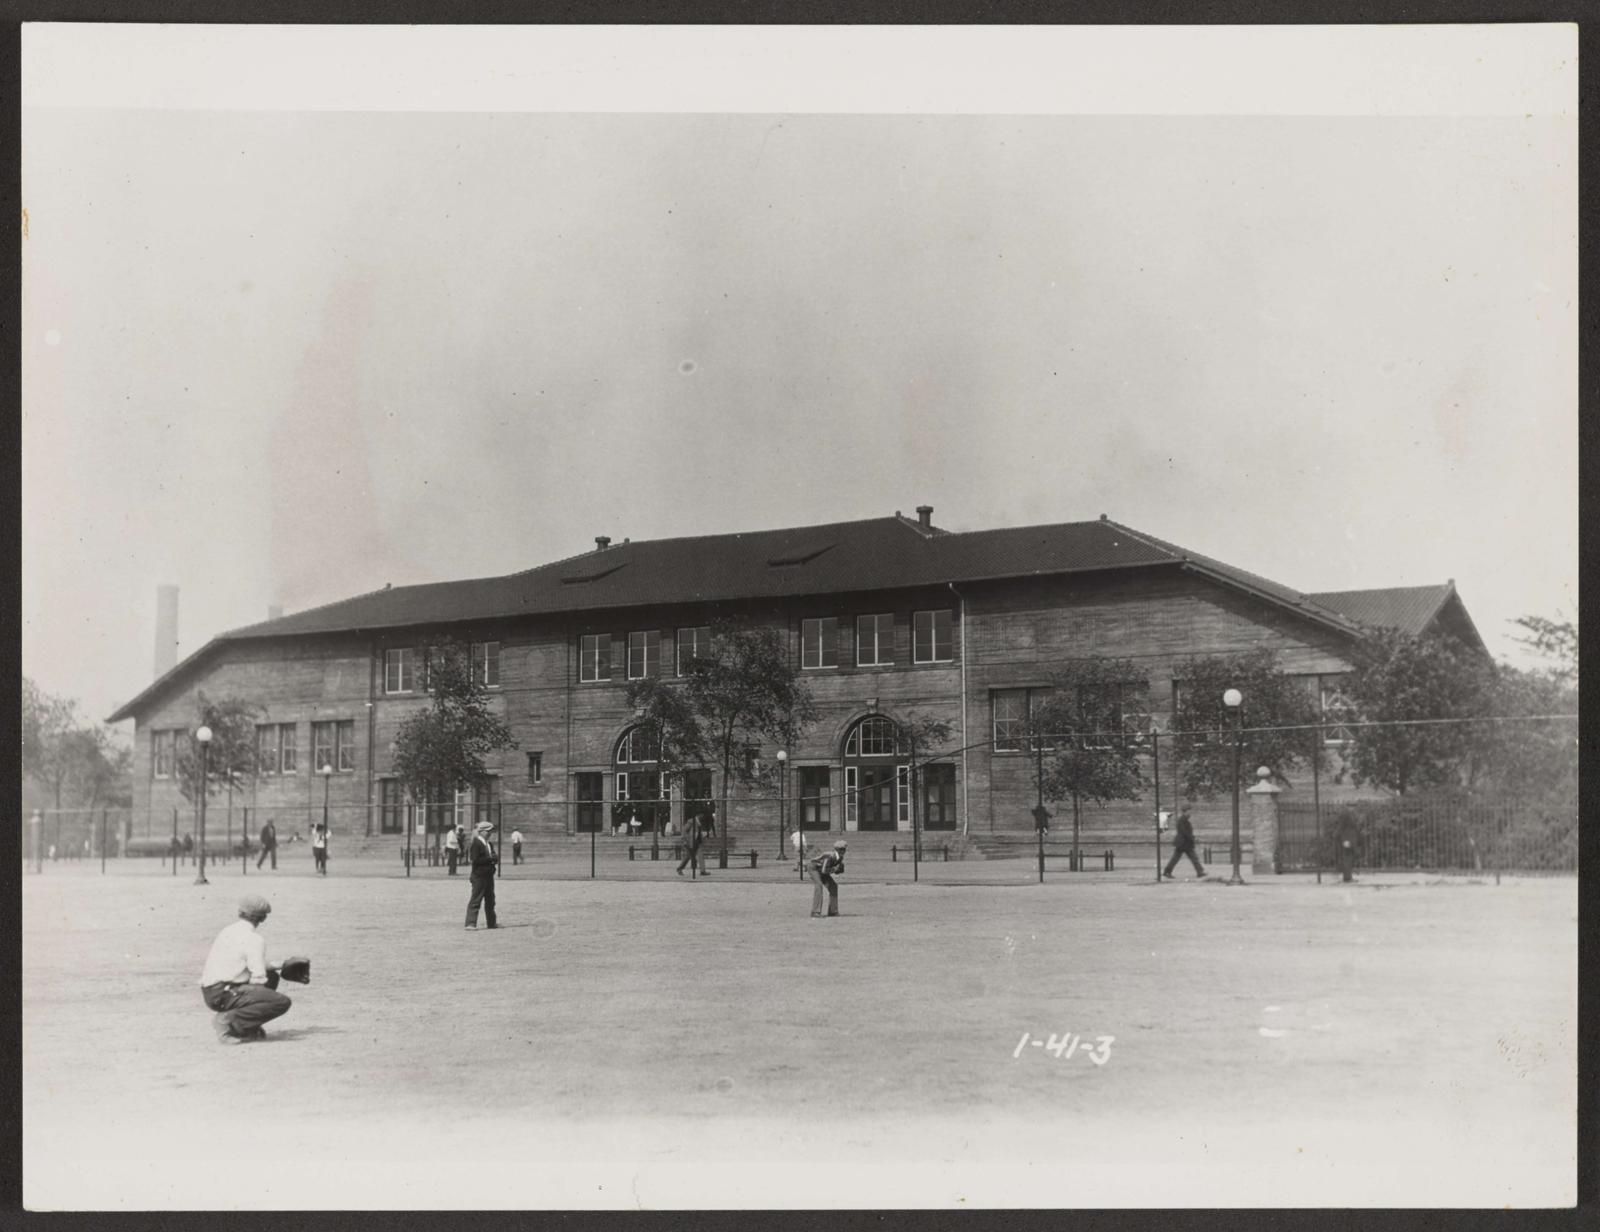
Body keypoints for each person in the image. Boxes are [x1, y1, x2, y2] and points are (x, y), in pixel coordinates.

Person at [199, 894, 293, 1045]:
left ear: (240, 912)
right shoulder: (254, 939)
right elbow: (258, 978)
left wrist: (282, 964)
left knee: (272, 976)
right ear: (263, 918)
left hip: (212, 992)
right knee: (281, 1002)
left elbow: (241, 962)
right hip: (225, 994)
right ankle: (227, 1021)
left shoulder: (228, 931)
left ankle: (244, 1026)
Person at [464, 819, 499, 929]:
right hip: (479, 876)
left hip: (488, 876)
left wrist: (495, 858)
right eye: (488, 831)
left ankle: (492, 923)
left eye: (491, 831)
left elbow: (492, 856)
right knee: (476, 899)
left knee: (490, 900)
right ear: (482, 832)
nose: (490, 833)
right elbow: (475, 860)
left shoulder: (489, 844)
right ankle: (470, 923)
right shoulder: (476, 843)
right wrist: (490, 859)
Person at [1163, 806, 1205, 879]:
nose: (1190, 813)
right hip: (1183, 843)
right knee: (1180, 858)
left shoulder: (1184, 820)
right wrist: (1192, 838)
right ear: (1186, 811)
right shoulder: (1182, 820)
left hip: (1184, 843)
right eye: (1189, 811)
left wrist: (1192, 838)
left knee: (1190, 858)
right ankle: (1199, 872)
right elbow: (1185, 832)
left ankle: (1200, 872)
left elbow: (1186, 832)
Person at [809, 839, 847, 917]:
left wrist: (839, 869)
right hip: (814, 868)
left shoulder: (840, 858)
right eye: (841, 849)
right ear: (836, 849)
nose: (843, 851)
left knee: (833, 886)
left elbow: (835, 871)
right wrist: (834, 869)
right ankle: (815, 912)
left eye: (844, 849)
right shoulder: (829, 856)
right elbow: (824, 871)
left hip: (822, 869)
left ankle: (833, 911)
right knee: (819, 885)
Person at [676, 805, 711, 877]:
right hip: (689, 842)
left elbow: (697, 832)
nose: (703, 816)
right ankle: (679, 868)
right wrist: (685, 840)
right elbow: (684, 831)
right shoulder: (691, 821)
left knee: (700, 855)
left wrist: (701, 837)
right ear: (699, 815)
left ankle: (702, 871)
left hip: (696, 842)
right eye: (702, 815)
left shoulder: (698, 822)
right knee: (688, 856)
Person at [1334, 813, 1360, 882]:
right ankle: (1347, 877)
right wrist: (1346, 841)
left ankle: (1348, 877)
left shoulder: (1346, 823)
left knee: (1348, 860)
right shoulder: (1347, 822)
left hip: (1348, 842)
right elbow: (1344, 833)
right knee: (1347, 860)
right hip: (1347, 842)